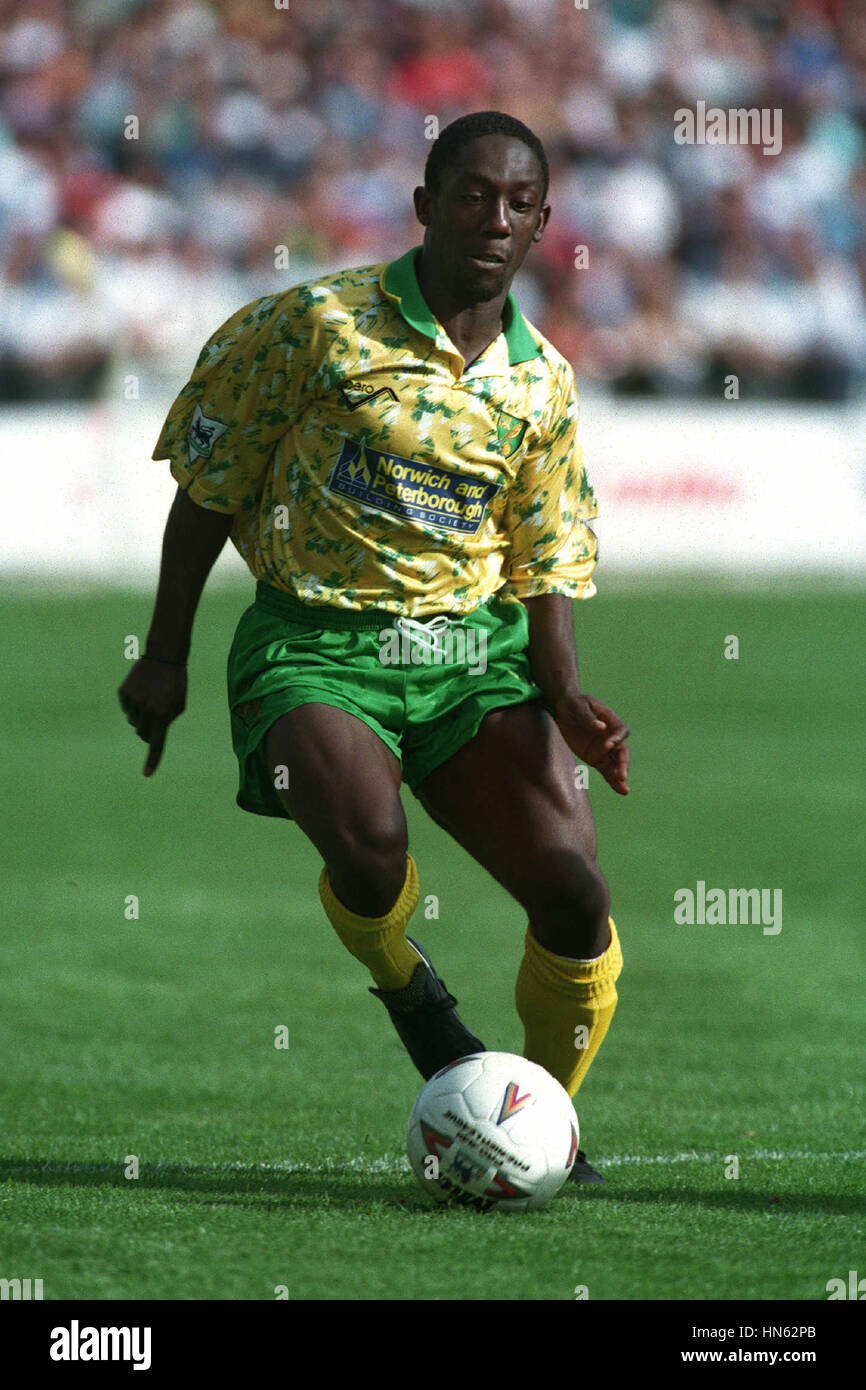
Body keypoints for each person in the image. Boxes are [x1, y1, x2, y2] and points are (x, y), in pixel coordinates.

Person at [118, 111, 630, 1186]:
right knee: (368, 845)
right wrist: (163, 654)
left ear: (542, 224)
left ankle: (536, 1125)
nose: (492, 218)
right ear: (423, 206)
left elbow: (542, 557)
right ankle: (419, 1004)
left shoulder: (540, 384)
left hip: (468, 661)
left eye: (516, 202)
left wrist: (569, 694)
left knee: (575, 894)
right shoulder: (311, 326)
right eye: (470, 195)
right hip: (314, 644)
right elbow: (205, 493)